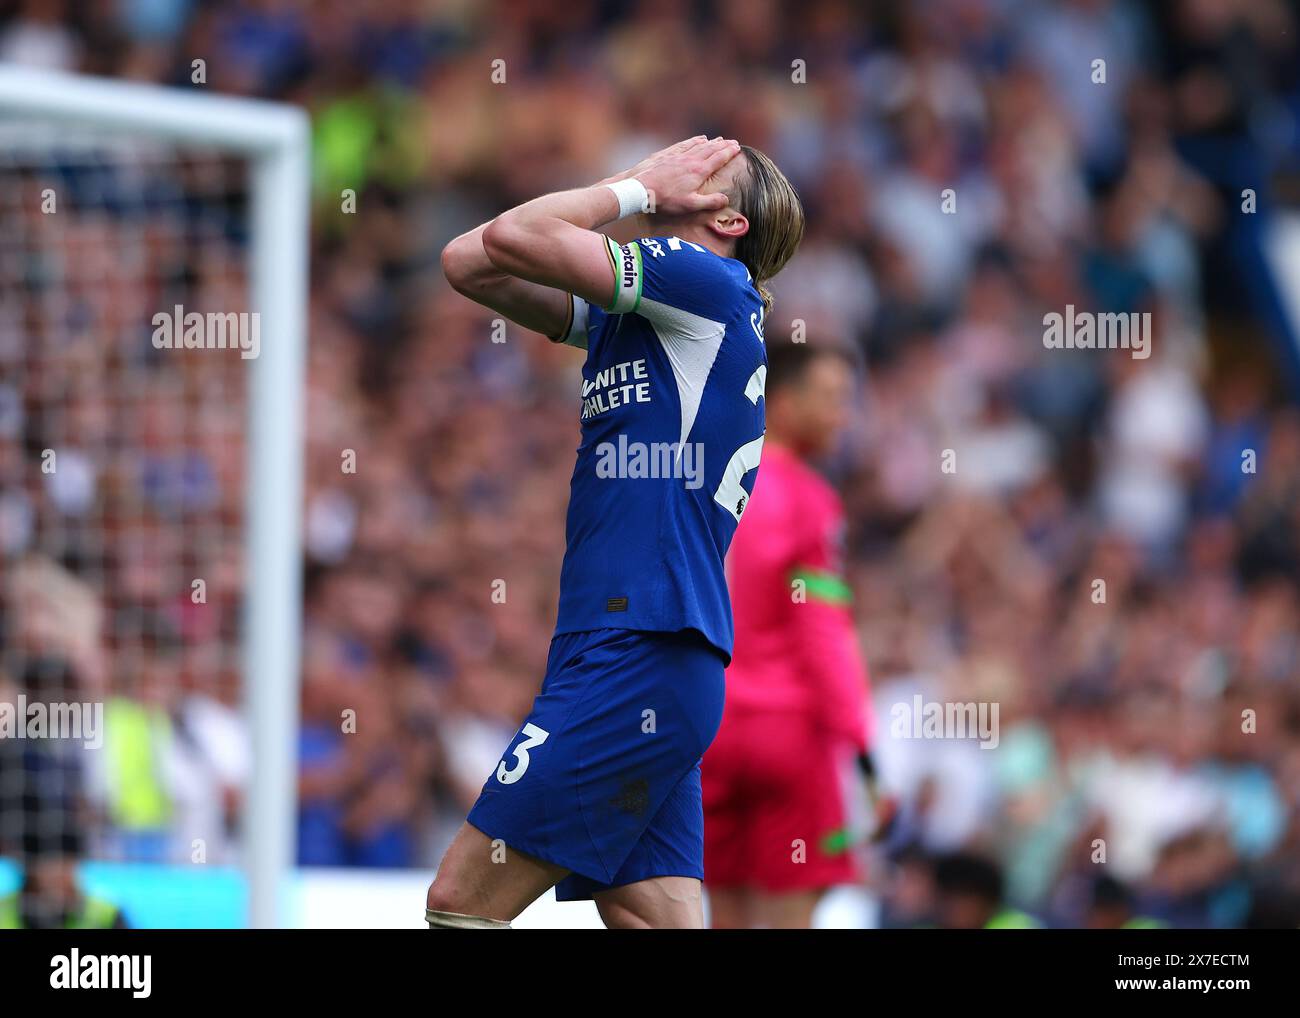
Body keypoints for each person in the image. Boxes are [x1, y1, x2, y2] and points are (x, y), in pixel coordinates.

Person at [427, 136, 805, 928]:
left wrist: (631, 188)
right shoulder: (647, 315)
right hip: (646, 653)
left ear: (728, 219)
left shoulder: (703, 283)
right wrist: (633, 191)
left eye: (700, 164)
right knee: (654, 919)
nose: (674, 158)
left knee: (462, 901)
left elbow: (511, 238)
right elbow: (468, 261)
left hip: (640, 644)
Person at [703, 340, 883, 928]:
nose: (844, 416)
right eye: (831, 398)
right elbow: (823, 637)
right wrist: (863, 755)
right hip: (787, 734)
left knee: (722, 914)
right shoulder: (810, 498)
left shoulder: (699, 478)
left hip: (706, 729)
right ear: (781, 402)